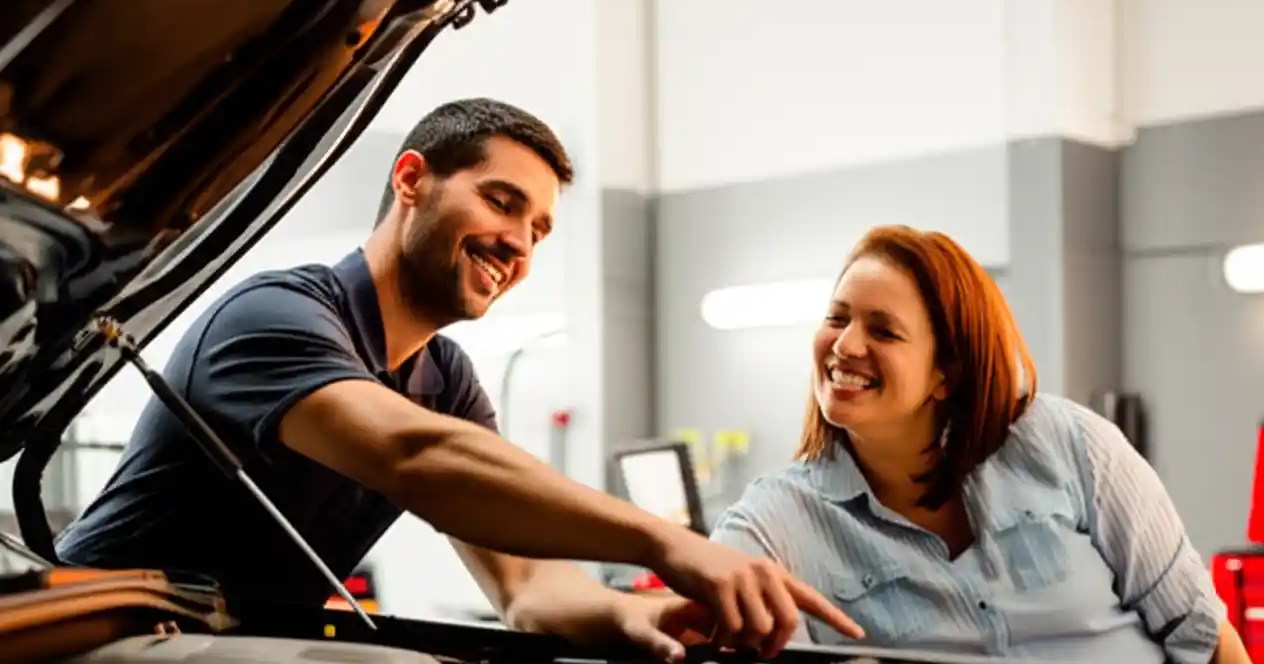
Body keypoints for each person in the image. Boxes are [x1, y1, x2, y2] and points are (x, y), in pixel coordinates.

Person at [55, 98, 861, 662]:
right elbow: (418, 458)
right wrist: (671, 544)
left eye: (538, 230)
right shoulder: (274, 315)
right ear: (411, 180)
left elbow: (524, 587)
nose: (519, 245)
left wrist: (638, 615)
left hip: (221, 640)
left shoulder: (444, 377)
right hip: (93, 635)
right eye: (501, 203)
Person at [708, 225, 1250, 663]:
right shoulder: (774, 524)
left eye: (884, 331)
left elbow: (1202, 637)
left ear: (947, 373)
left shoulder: (1071, 445)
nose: (847, 345)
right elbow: (704, 619)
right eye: (837, 318)